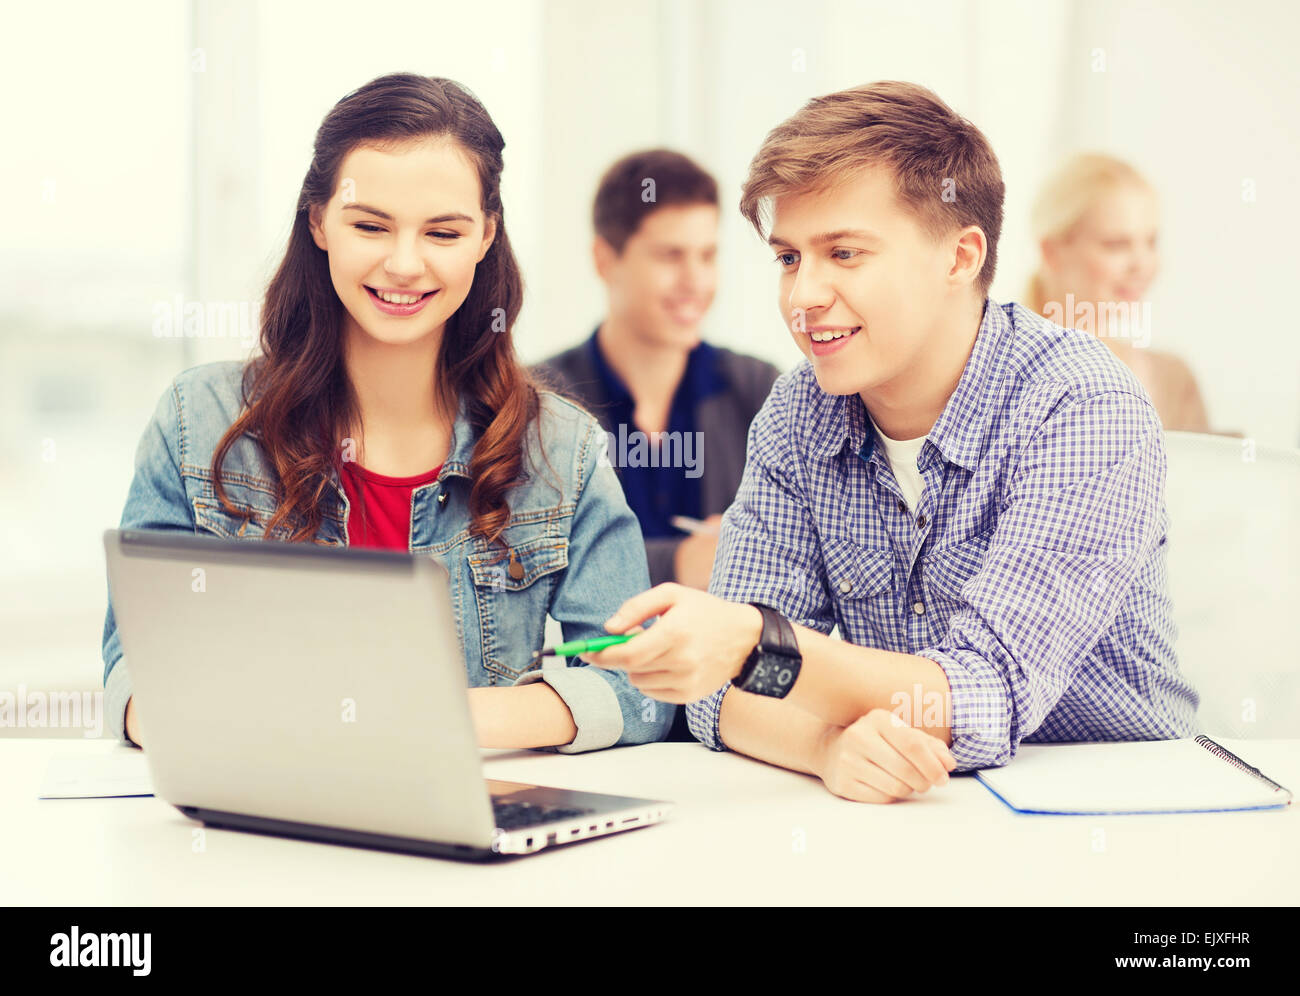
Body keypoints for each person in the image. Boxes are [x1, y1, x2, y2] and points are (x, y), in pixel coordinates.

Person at [585, 81, 1200, 803]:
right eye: (788, 258)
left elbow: (982, 693)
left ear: (961, 257)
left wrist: (760, 644)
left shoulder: (1081, 405)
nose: (802, 296)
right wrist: (826, 746)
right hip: (924, 810)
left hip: (1128, 805)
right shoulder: (798, 410)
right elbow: (724, 696)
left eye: (844, 253)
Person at [102, 73, 672, 754]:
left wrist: (417, 720)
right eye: (370, 225)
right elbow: (133, 678)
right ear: (318, 221)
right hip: (261, 829)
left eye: (442, 231)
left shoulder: (561, 448)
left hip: (467, 831)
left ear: (486, 235)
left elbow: (636, 689)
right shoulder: (201, 421)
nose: (404, 264)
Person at [533, 150, 780, 593]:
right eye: (670, 256)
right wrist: (680, 563)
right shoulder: (539, 399)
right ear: (605, 261)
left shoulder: (758, 389)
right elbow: (534, 557)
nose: (695, 282)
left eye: (707, 256)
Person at [1025, 153, 1211, 433]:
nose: (1143, 264)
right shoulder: (999, 370)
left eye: (1151, 242)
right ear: (1051, 252)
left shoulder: (1174, 380)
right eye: (1116, 244)